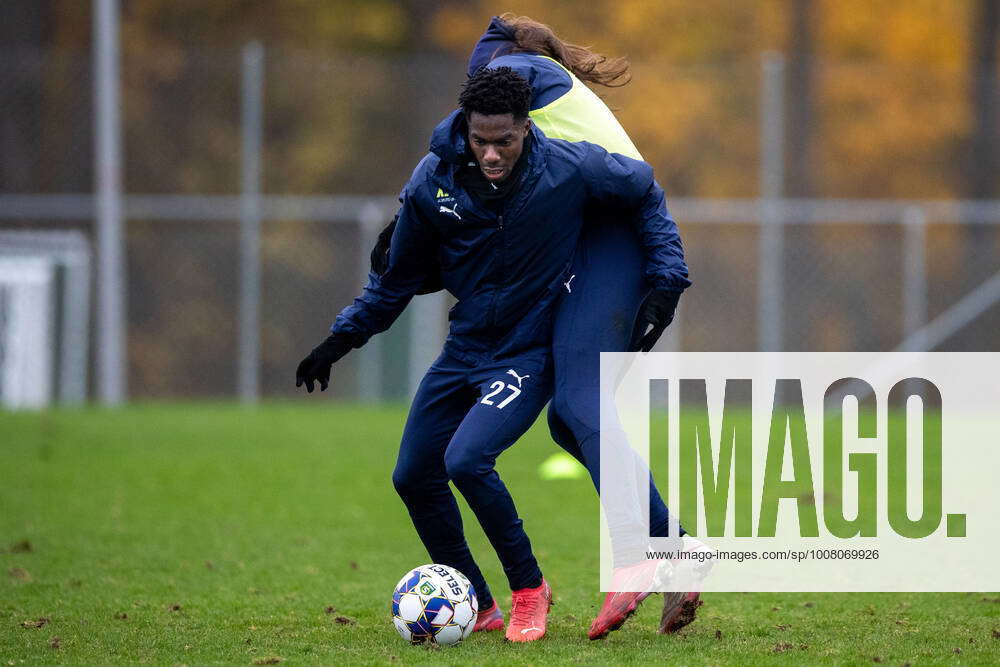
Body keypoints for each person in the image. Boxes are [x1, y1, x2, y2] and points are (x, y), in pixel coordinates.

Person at [296, 66, 689, 642]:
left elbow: (645, 189)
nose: (491, 153)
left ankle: (529, 588)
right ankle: (477, 603)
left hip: (526, 354)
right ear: (466, 128)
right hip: (464, 349)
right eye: (480, 140)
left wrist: (666, 275)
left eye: (503, 140)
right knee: (412, 475)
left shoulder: (569, 169)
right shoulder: (434, 180)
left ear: (526, 128)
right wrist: (340, 339)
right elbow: (394, 280)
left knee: (465, 461)